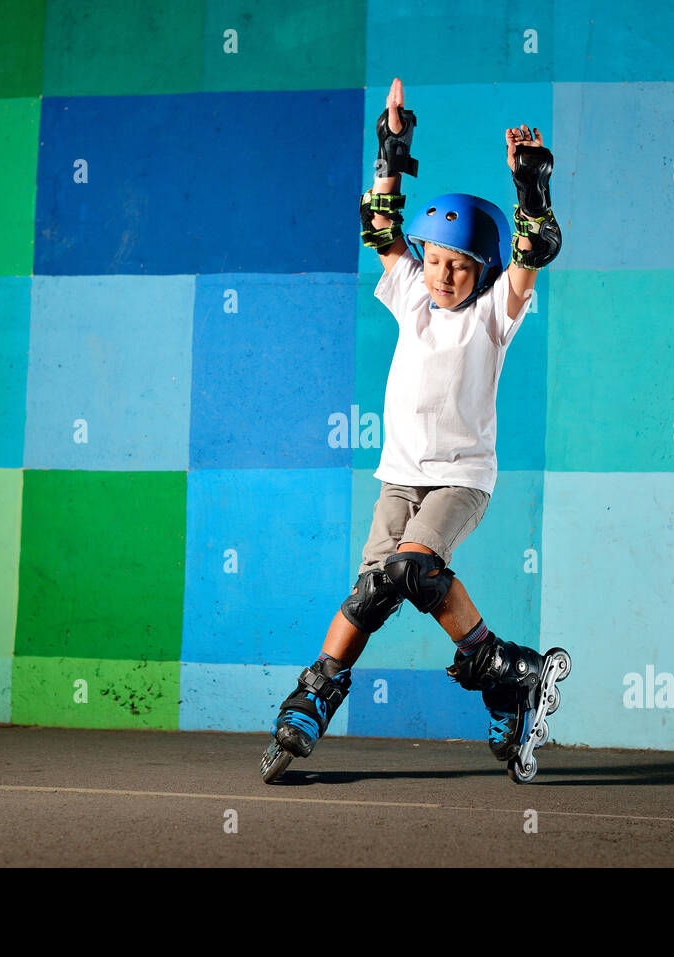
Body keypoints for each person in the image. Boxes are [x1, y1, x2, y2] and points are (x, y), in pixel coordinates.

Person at [263, 77, 563, 783]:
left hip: (461, 476)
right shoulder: (413, 295)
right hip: (399, 474)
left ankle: (511, 672)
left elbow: (530, 256)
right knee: (372, 589)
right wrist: (390, 153)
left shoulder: (496, 314)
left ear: (480, 269)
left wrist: (531, 194)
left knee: (416, 567)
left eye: (459, 266)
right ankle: (321, 693)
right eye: (435, 261)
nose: (443, 275)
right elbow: (380, 230)